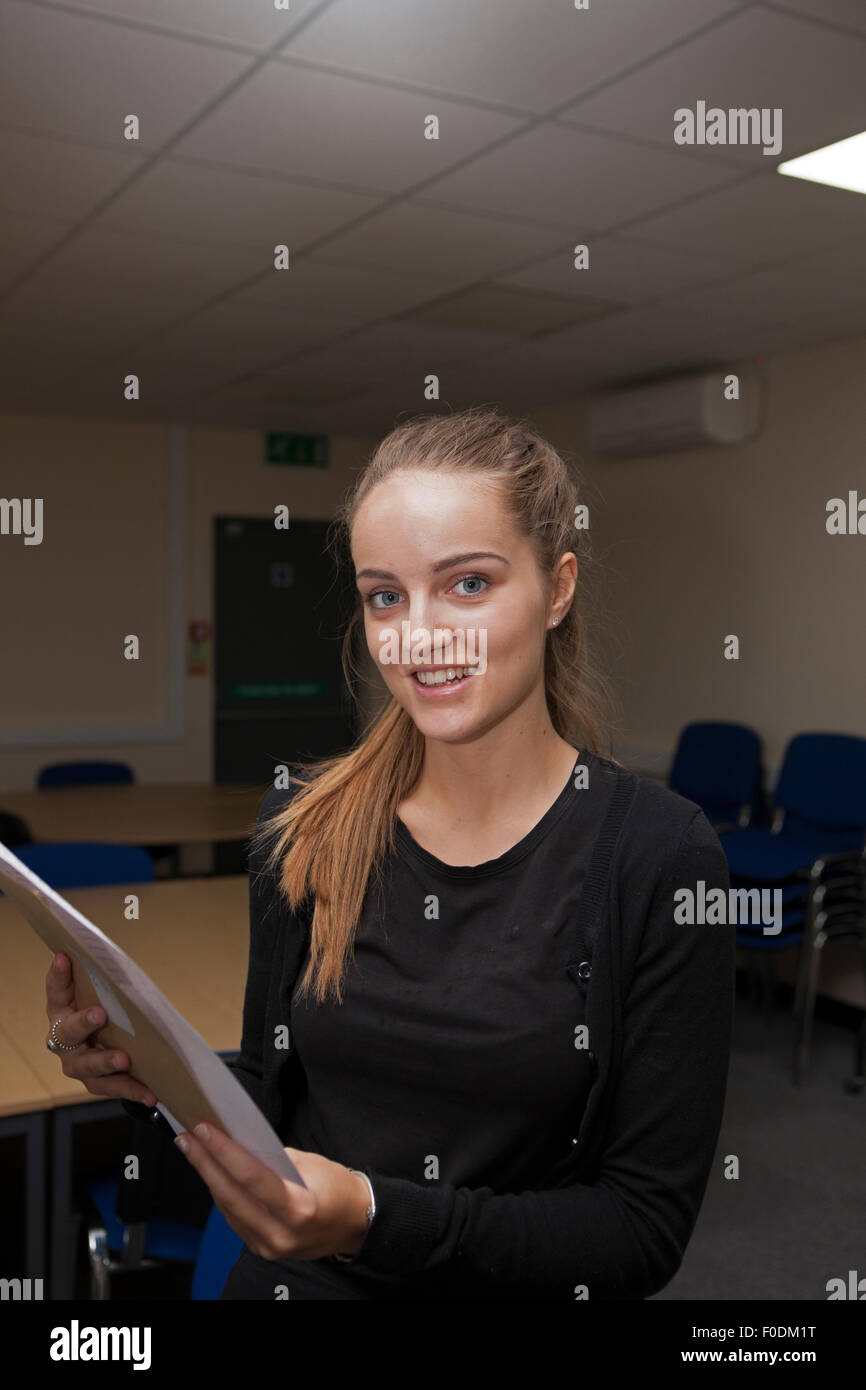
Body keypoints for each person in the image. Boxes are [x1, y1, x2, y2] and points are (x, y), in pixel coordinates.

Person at [44, 406, 734, 1300]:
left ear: (558, 588)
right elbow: (270, 1080)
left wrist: (374, 1216)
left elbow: (639, 1231)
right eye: (386, 595)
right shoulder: (305, 822)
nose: (420, 635)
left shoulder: (659, 856)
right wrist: (148, 1074)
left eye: (469, 584)